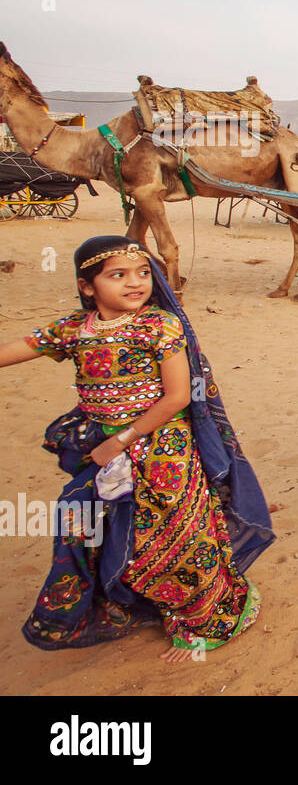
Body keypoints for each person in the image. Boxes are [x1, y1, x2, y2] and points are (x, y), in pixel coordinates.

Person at [0, 236, 273, 661]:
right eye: (118, 275)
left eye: (143, 273)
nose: (135, 283)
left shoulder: (160, 326)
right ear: (88, 286)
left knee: (177, 535)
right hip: (106, 450)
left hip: (164, 449)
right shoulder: (75, 329)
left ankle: (205, 623)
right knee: (93, 525)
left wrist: (121, 441)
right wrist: (110, 445)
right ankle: (128, 602)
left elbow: (178, 396)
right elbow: (21, 348)